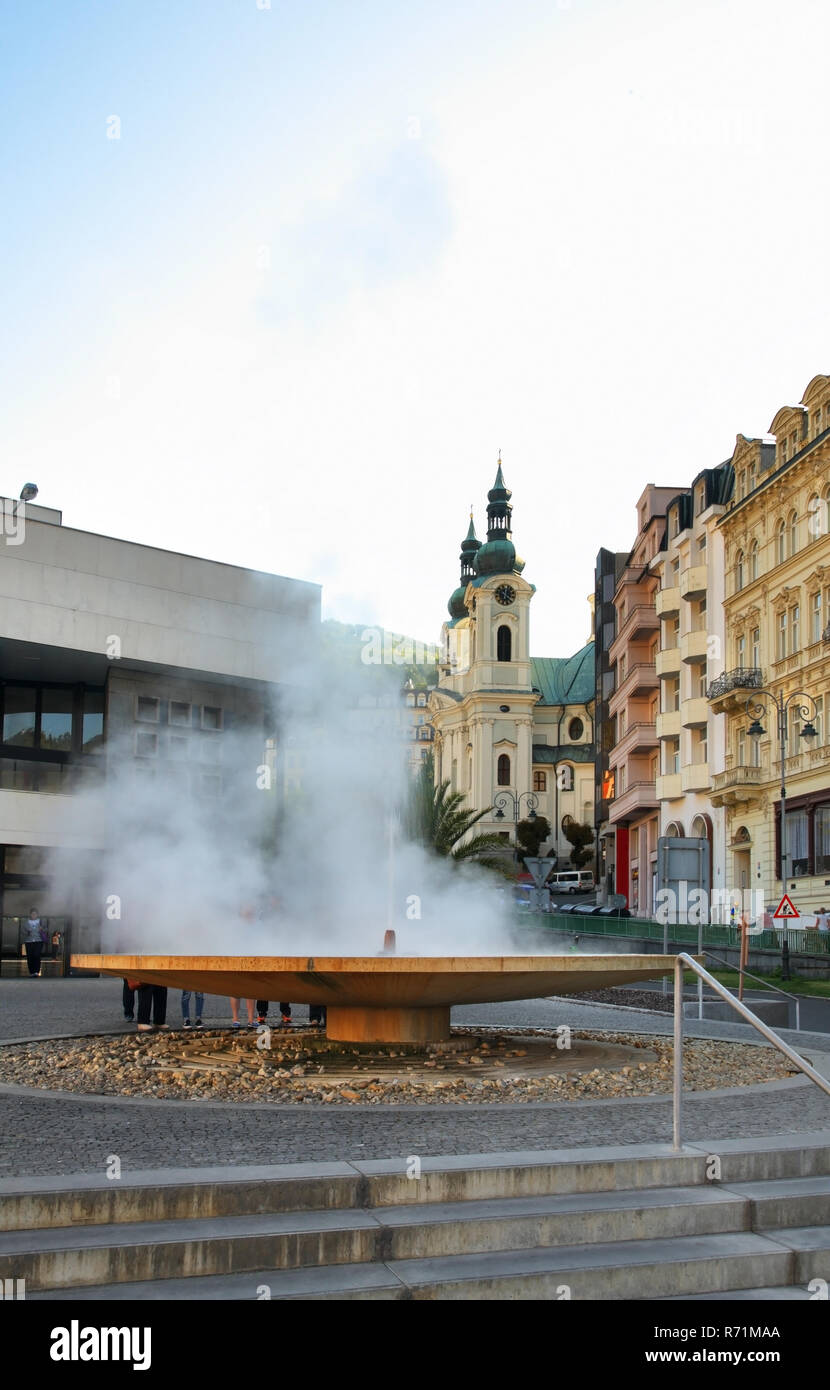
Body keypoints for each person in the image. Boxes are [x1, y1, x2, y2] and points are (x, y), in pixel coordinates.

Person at [22, 908, 46, 977]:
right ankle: (31, 972)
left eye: (35, 914)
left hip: (38, 941)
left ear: (37, 915)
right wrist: (26, 932)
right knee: (30, 957)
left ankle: (36, 971)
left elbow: (46, 929)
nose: (33, 915)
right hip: (28, 941)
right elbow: (22, 931)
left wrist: (42, 929)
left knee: (37, 955)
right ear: (30, 914)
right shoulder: (26, 922)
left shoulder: (41, 921)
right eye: (32, 914)